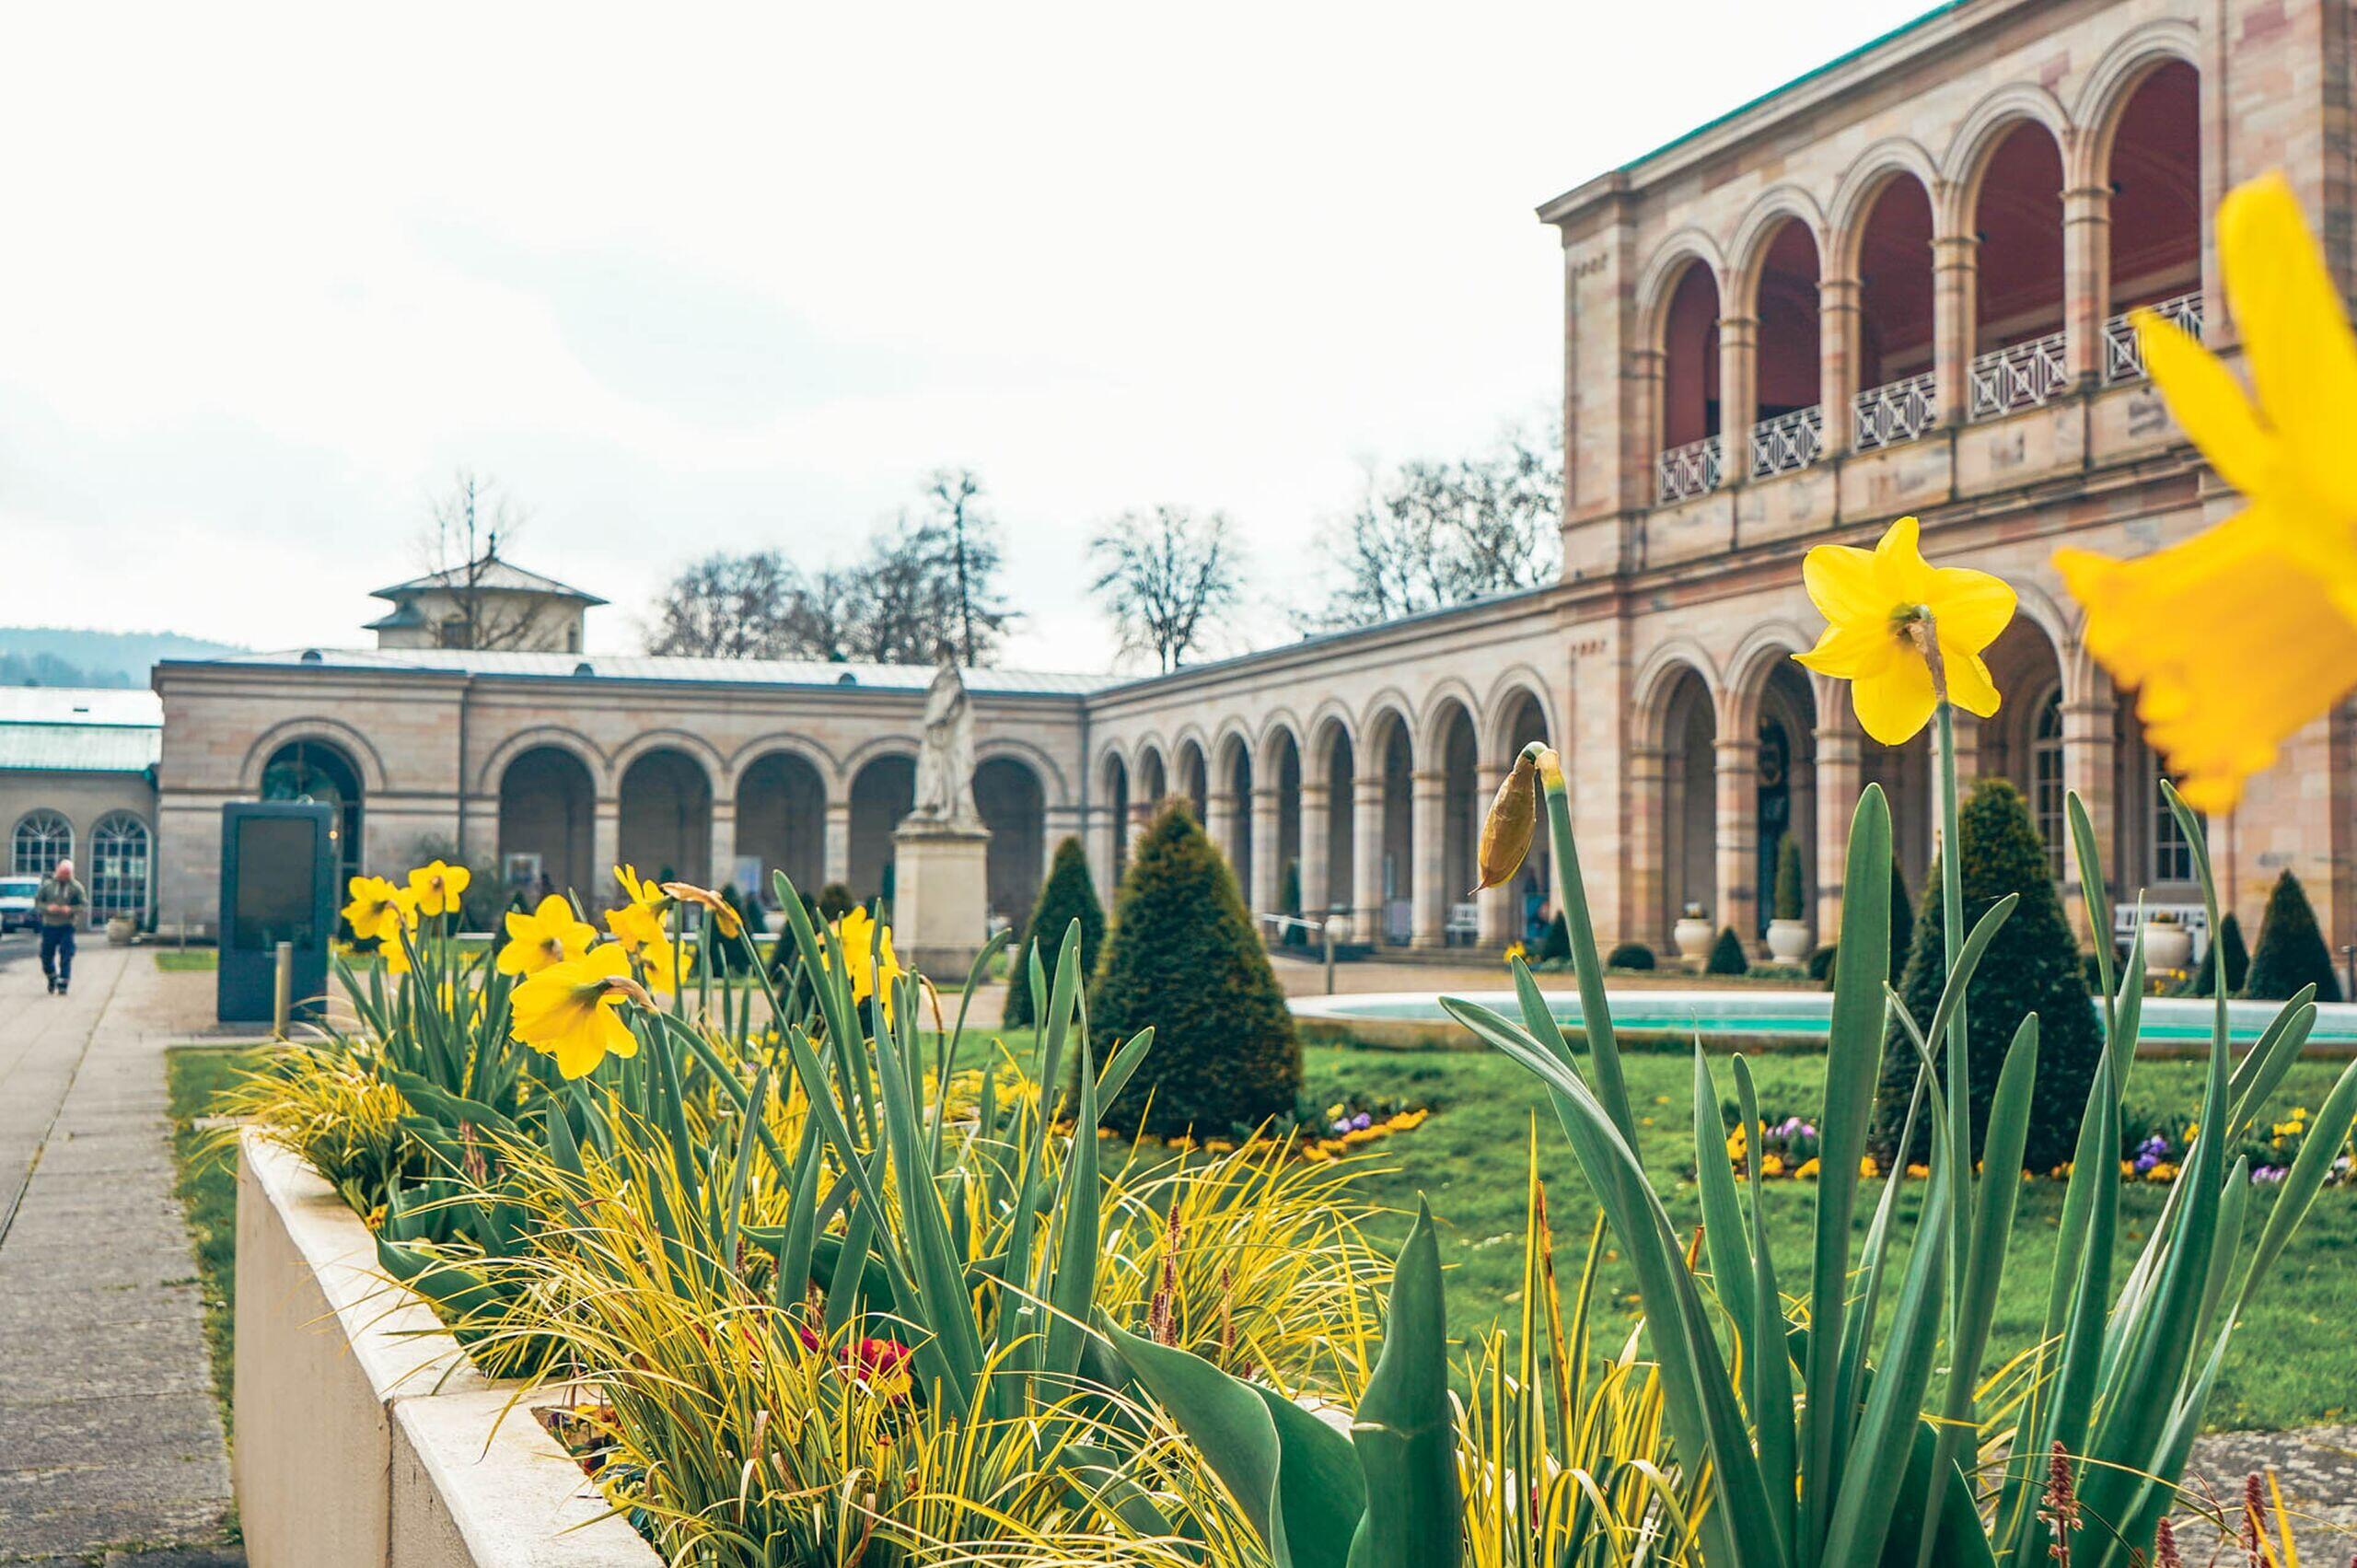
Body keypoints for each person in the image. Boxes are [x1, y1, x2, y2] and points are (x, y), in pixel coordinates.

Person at [36, 856, 88, 995]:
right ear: (57, 870)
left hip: (66, 926)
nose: (64, 876)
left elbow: (83, 905)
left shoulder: (76, 887)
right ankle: (52, 976)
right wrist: (47, 908)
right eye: (62, 873)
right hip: (49, 925)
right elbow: (38, 903)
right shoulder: (47, 886)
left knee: (66, 955)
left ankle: (64, 983)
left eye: (67, 874)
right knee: (46, 956)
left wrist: (70, 909)